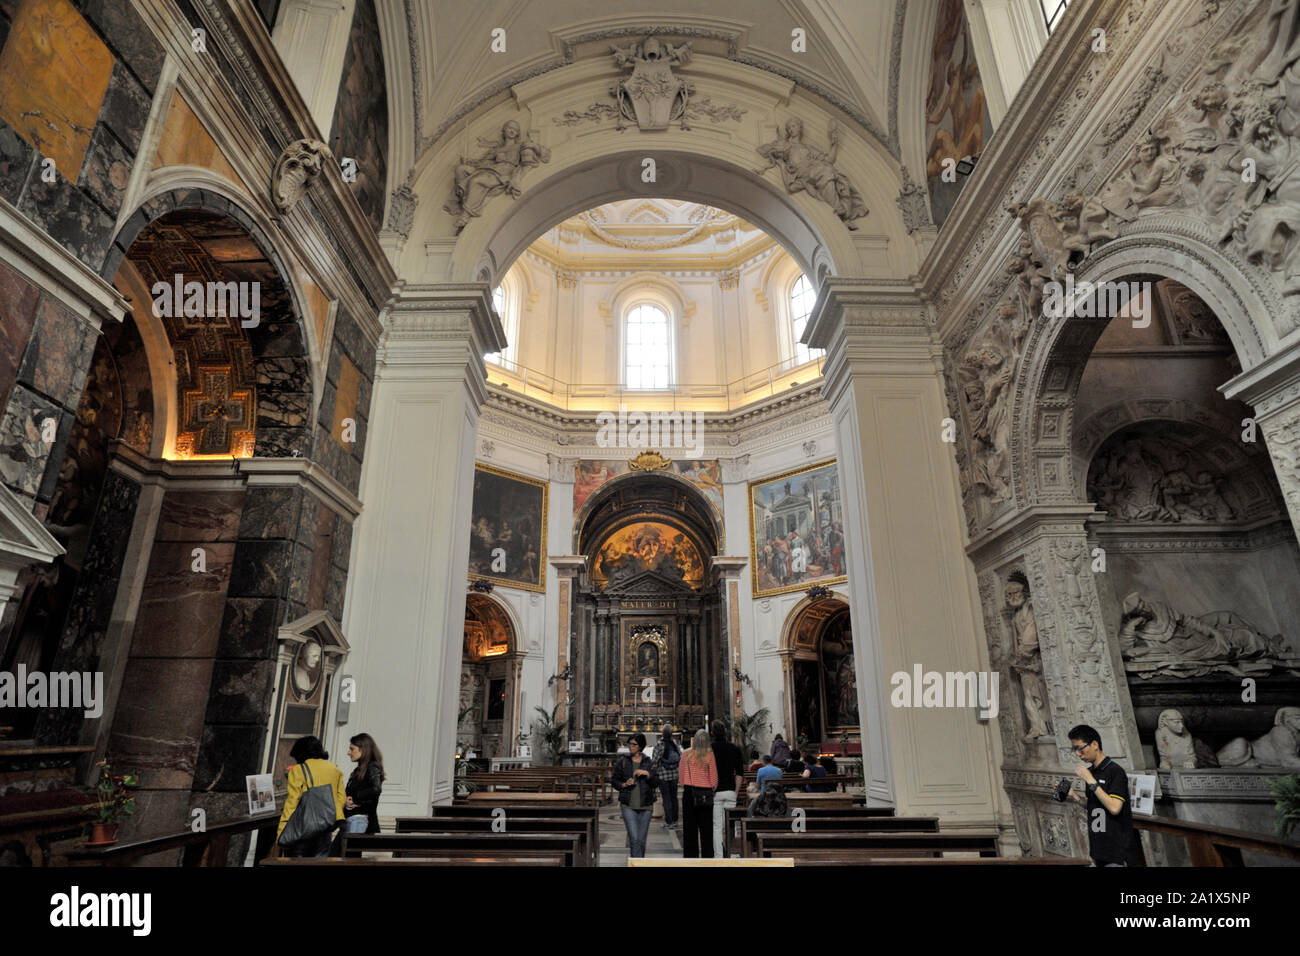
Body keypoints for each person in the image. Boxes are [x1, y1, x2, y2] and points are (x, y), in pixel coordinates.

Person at [1062, 724, 1139, 867]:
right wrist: (1074, 796)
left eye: (1080, 748)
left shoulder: (1115, 771)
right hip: (1098, 849)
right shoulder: (1091, 772)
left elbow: (1114, 808)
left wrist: (1091, 780)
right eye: (1074, 749)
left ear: (1095, 744)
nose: (1078, 754)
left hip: (1117, 852)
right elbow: (1095, 805)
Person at [276, 736, 345, 858]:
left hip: (303, 827)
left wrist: (282, 830)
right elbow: (341, 798)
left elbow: (292, 802)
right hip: (326, 827)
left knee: (296, 859)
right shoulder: (333, 768)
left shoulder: (298, 770)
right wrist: (330, 817)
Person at [611, 733, 657, 858]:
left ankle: (639, 862)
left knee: (641, 841)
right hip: (628, 805)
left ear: (641, 746)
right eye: (629, 744)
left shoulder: (649, 762)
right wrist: (624, 784)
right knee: (635, 839)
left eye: (634, 744)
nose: (630, 747)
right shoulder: (623, 761)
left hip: (646, 806)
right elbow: (614, 780)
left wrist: (647, 774)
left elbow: (655, 782)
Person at [679, 729, 718, 858]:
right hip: (705, 793)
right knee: (707, 830)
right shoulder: (710, 755)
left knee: (690, 830)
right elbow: (714, 780)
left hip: (690, 793)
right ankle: (707, 859)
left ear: (694, 740)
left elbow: (680, 779)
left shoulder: (686, 754)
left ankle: (690, 859)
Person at [711, 720, 746, 858]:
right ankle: (731, 854)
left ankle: (719, 857)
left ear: (712, 732)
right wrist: (736, 792)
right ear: (725, 731)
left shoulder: (710, 749)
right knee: (730, 825)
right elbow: (739, 774)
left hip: (715, 791)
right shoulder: (734, 748)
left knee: (717, 826)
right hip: (731, 790)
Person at [344, 733, 385, 835]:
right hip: (351, 819)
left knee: (349, 850)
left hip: (358, 820)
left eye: (352, 749)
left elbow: (376, 789)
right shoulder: (358, 770)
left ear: (363, 749)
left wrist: (355, 798)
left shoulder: (372, 767)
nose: (348, 753)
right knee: (337, 850)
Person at [651, 724, 681, 829]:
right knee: (674, 798)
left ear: (662, 734)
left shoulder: (659, 744)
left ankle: (668, 822)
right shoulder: (675, 744)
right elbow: (680, 757)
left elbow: (654, 760)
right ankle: (675, 820)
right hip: (674, 775)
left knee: (666, 799)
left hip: (663, 776)